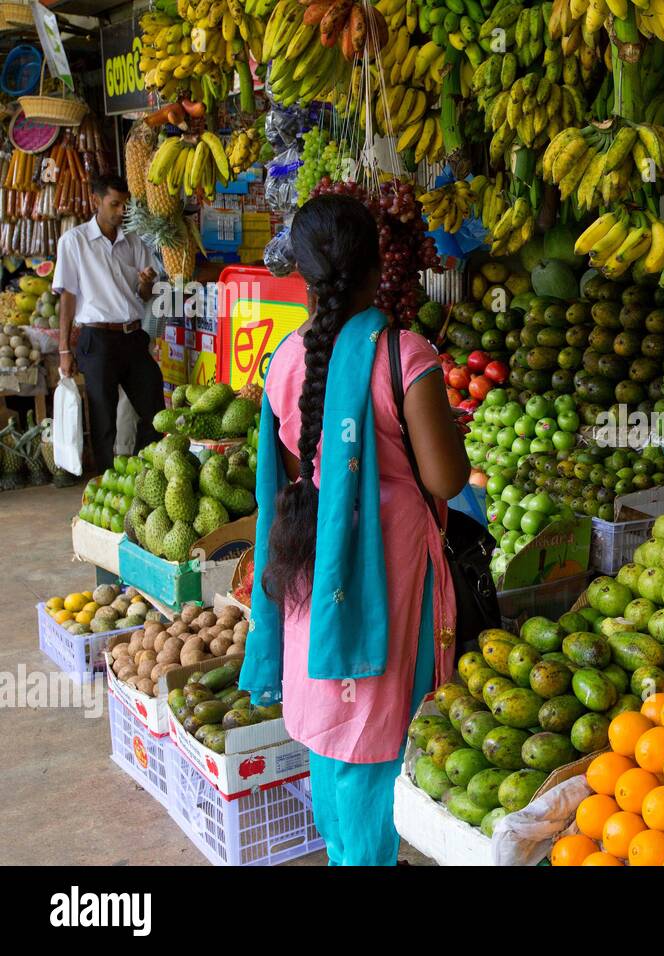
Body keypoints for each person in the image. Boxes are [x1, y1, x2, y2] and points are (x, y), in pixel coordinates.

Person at [242, 195, 470, 866]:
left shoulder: (285, 361)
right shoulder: (406, 356)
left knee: (331, 721)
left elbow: (291, 470)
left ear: (303, 275)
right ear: (378, 265)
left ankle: (346, 850)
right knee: (378, 720)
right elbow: (447, 480)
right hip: (385, 574)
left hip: (315, 565)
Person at [53, 173, 163, 473]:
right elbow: (68, 298)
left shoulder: (134, 242)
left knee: (154, 411)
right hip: (96, 339)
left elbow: (143, 295)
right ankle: (104, 483)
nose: (120, 211)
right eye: (114, 204)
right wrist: (64, 349)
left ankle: (144, 475)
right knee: (103, 420)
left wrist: (146, 282)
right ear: (96, 201)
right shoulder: (74, 243)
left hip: (133, 336)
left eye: (124, 205)